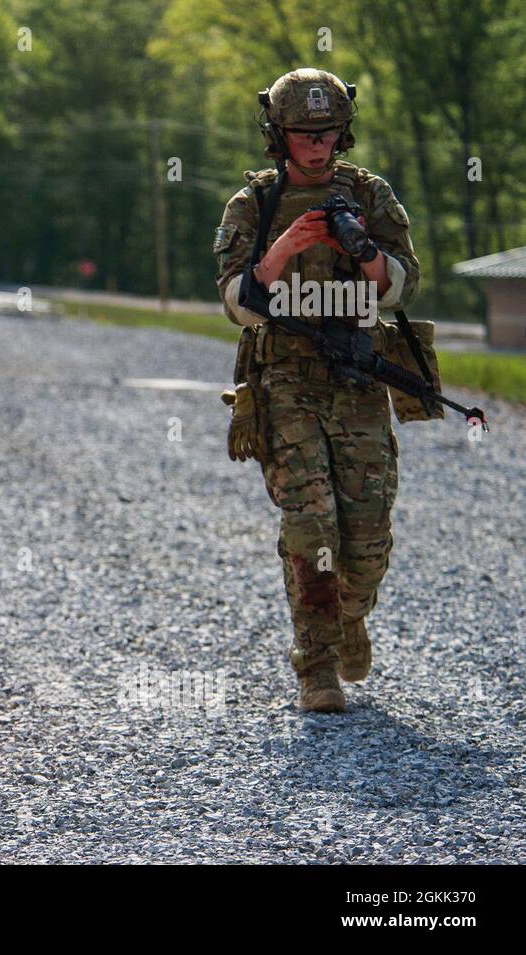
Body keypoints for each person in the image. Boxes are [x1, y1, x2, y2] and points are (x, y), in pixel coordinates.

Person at [214, 69, 421, 712]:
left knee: (367, 535)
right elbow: (236, 302)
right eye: (303, 133)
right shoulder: (253, 206)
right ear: (278, 134)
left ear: (343, 131)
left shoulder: (369, 194)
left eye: (327, 132)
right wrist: (281, 251)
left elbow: (404, 284)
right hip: (286, 382)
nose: (317, 144)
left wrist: (361, 252)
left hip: (359, 379)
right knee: (312, 526)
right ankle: (318, 666)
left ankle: (349, 618)